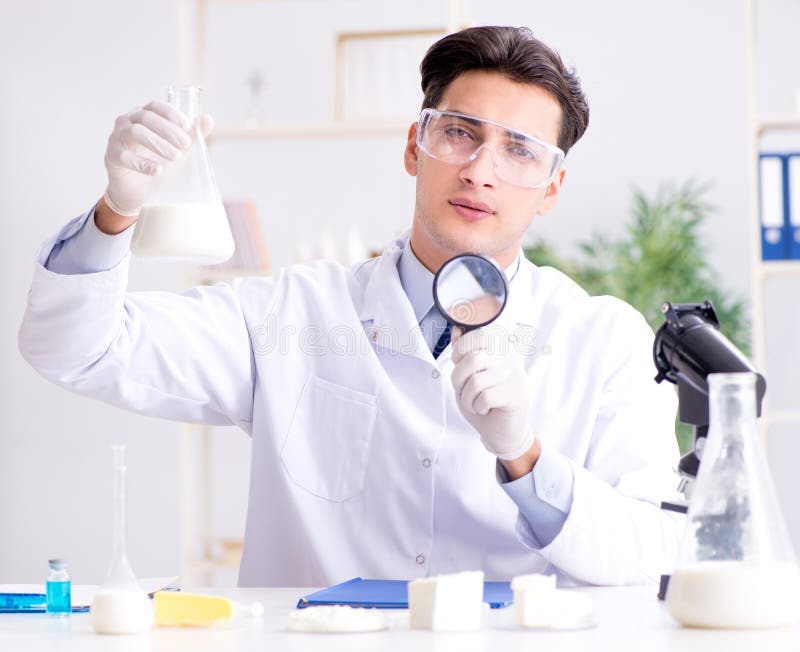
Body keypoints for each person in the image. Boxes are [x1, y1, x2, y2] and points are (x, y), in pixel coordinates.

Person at [19, 25, 682, 587]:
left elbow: (647, 555)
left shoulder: (605, 340)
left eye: (520, 151)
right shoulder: (289, 314)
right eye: (459, 133)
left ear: (551, 188)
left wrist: (526, 457)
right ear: (412, 146)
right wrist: (118, 209)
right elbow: (78, 350)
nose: (482, 170)